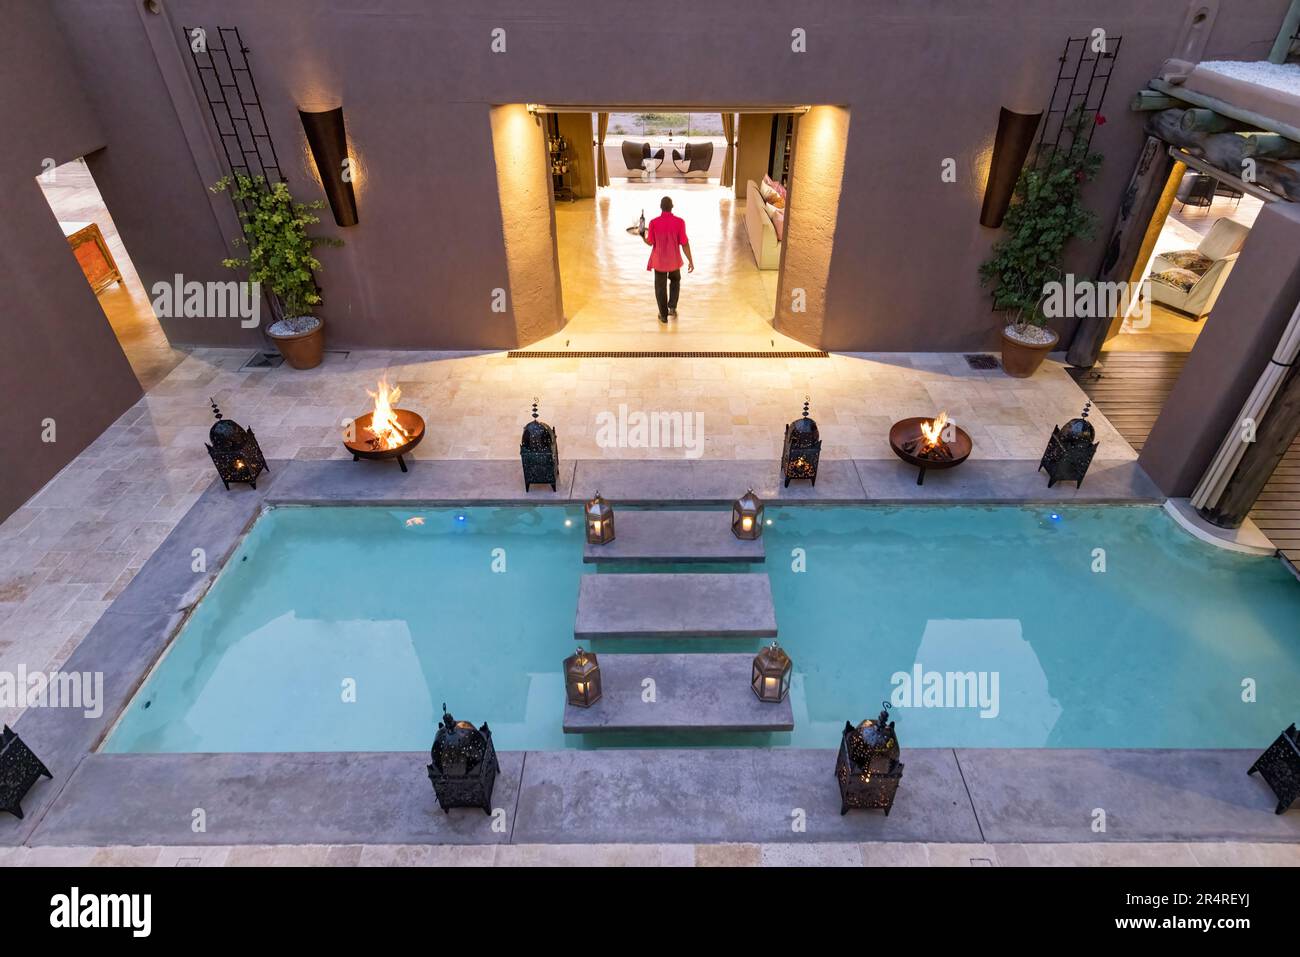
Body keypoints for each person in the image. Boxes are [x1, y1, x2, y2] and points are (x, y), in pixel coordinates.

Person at [641, 195, 694, 323]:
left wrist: (643, 236)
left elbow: (650, 242)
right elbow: (684, 243)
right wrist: (690, 260)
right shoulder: (680, 222)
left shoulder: (653, 223)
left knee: (660, 288)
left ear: (661, 207)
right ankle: (672, 307)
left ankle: (663, 315)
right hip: (674, 261)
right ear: (672, 207)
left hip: (659, 262)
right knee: (675, 282)